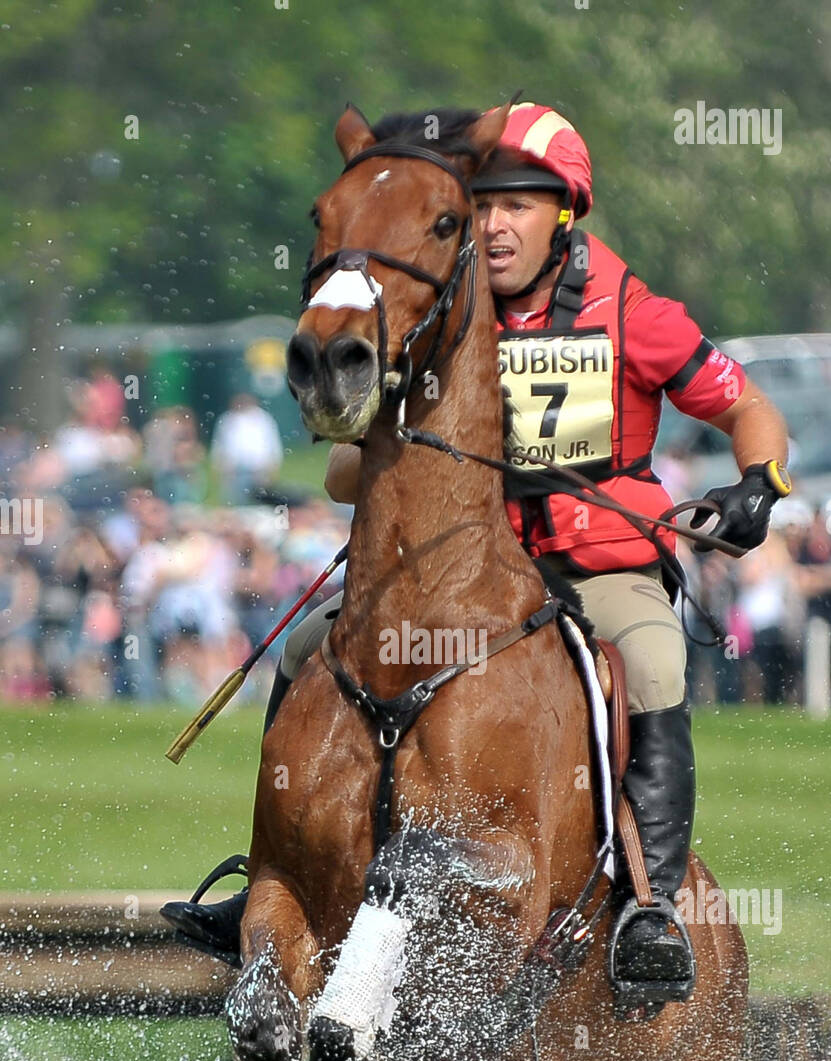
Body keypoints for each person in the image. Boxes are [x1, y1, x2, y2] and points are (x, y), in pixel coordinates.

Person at [163, 102, 791, 1011]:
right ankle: (272, 876)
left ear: (564, 216)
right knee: (306, 655)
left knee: (652, 661)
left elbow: (745, 408)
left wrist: (759, 483)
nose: (497, 227)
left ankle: (646, 910)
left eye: (522, 208)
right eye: (485, 206)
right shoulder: (447, 314)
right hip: (463, 577)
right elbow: (347, 472)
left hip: (595, 569)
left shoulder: (631, 311)